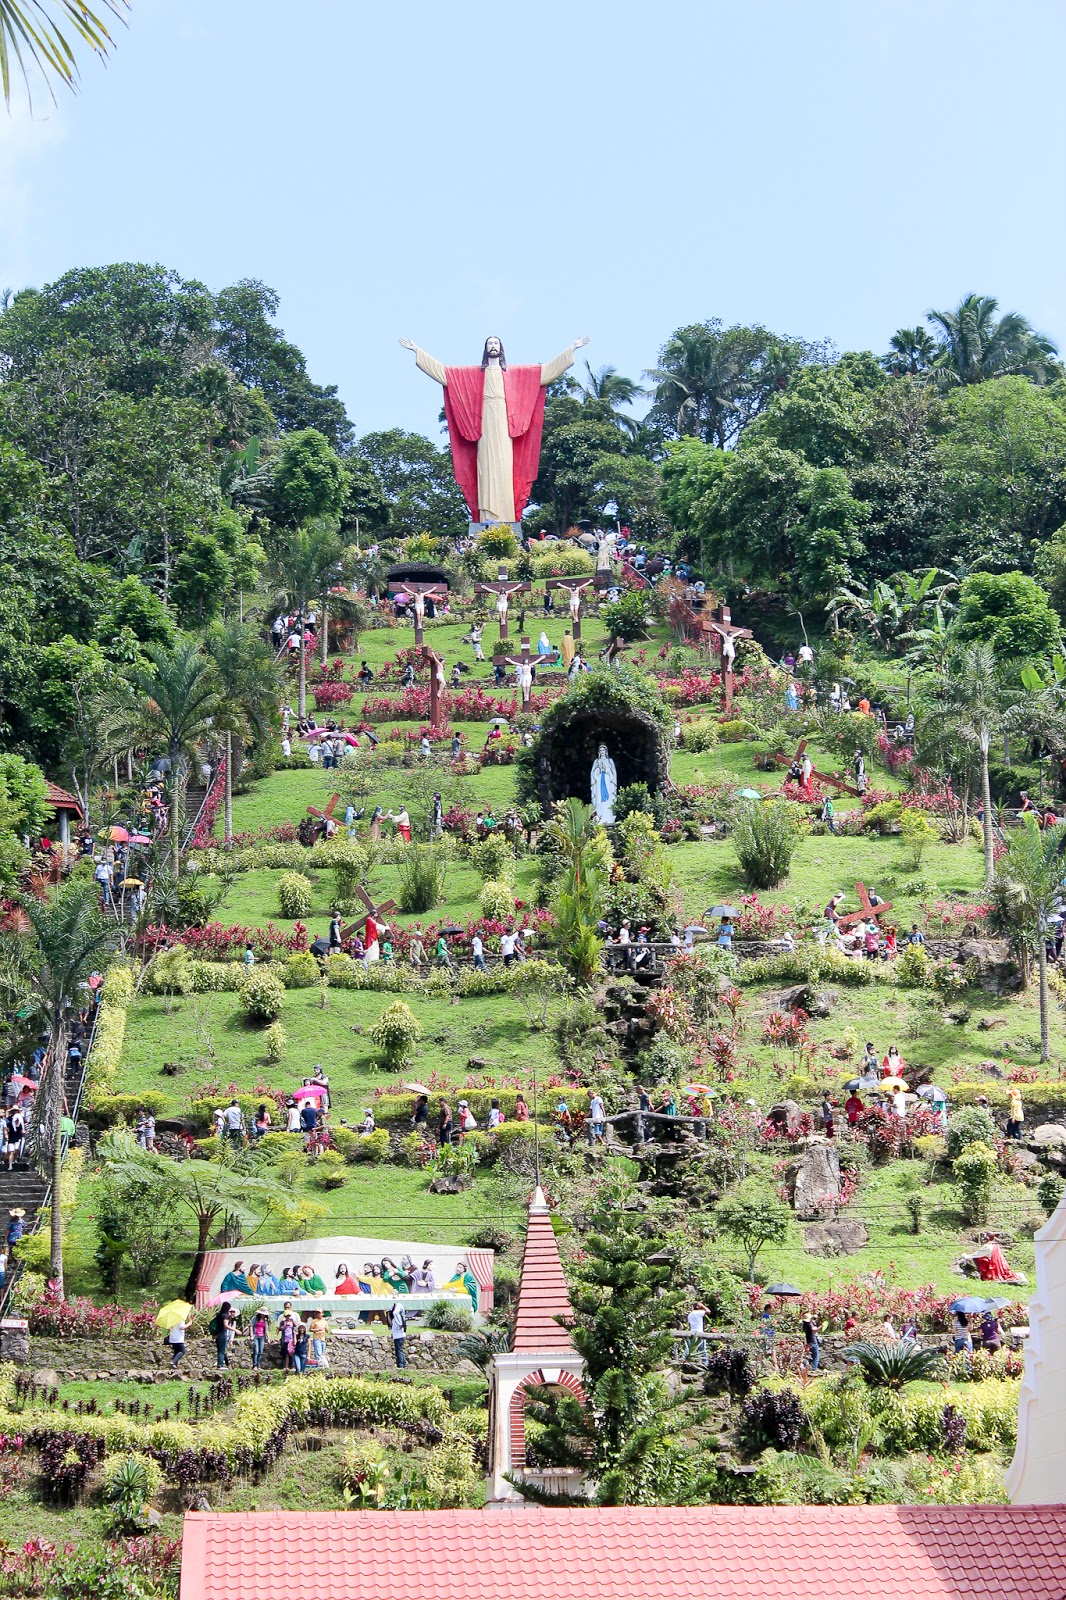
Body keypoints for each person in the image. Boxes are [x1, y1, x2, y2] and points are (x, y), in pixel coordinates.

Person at [686, 1302, 709, 1367]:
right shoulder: (698, 1313)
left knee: (689, 1348)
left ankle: (683, 1359)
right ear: (697, 1307)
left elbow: (689, 1324)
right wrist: (703, 1306)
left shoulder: (690, 1314)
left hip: (692, 1333)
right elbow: (708, 1311)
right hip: (699, 1333)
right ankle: (705, 1364)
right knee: (703, 1350)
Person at [211, 1303, 234, 1369]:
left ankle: (226, 1364)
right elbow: (226, 1325)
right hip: (222, 1334)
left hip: (217, 1334)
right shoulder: (225, 1316)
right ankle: (220, 1365)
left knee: (220, 1350)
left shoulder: (219, 1315)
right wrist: (235, 1330)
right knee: (222, 1351)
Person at [390, 1300, 408, 1368]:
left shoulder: (398, 1316)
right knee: (400, 1350)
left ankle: (401, 1365)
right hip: (399, 1335)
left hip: (399, 1336)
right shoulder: (399, 1317)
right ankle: (403, 1364)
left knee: (399, 1350)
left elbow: (396, 1314)